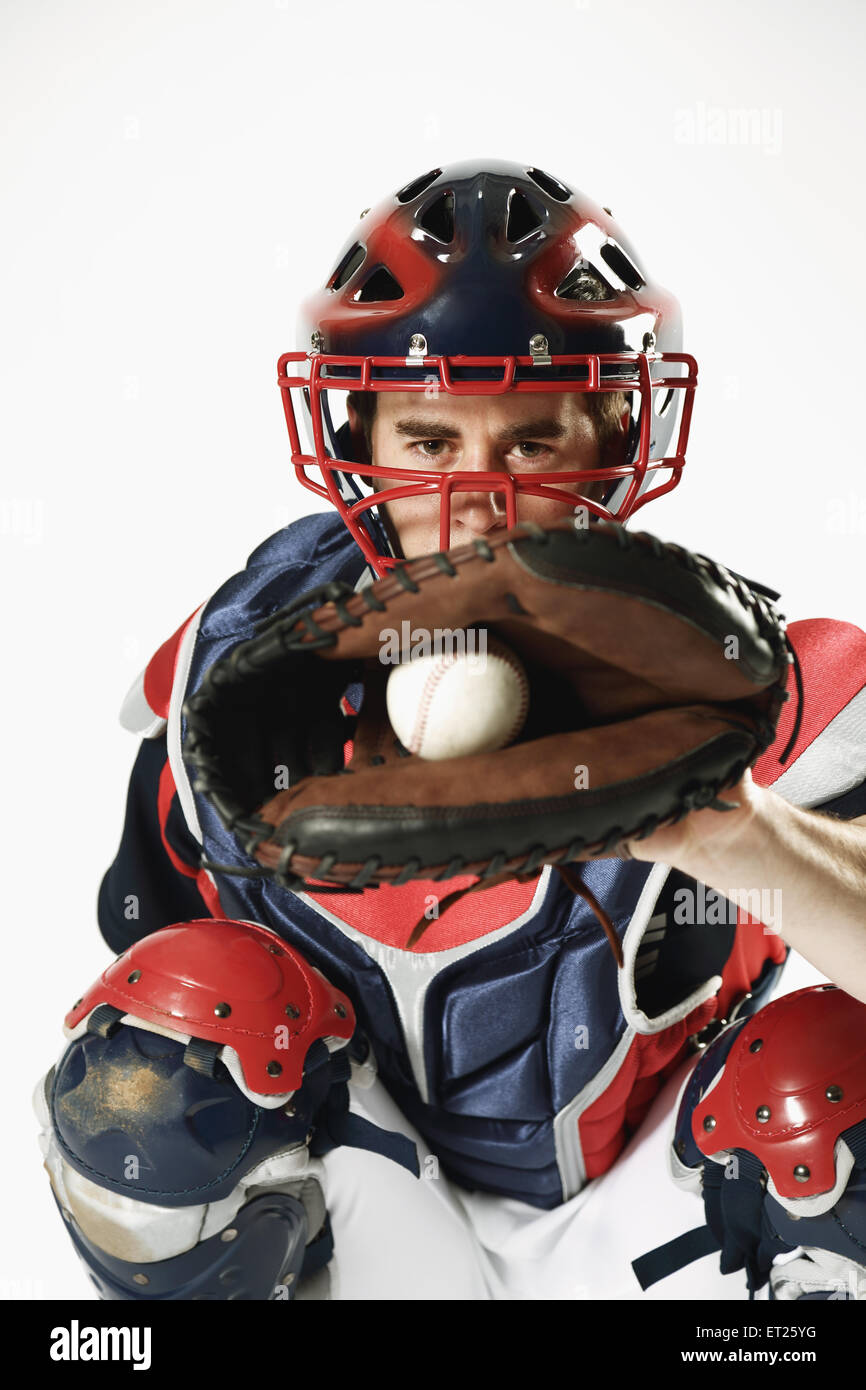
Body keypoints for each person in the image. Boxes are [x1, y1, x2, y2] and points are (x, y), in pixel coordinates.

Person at [35, 161, 866, 1301]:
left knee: (831, 1105)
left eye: (530, 442)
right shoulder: (239, 664)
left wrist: (738, 834)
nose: (480, 501)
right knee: (164, 1052)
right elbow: (146, 970)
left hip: (640, 1229)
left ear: (620, 429)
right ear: (353, 427)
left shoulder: (750, 678)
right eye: (428, 440)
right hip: (374, 1220)